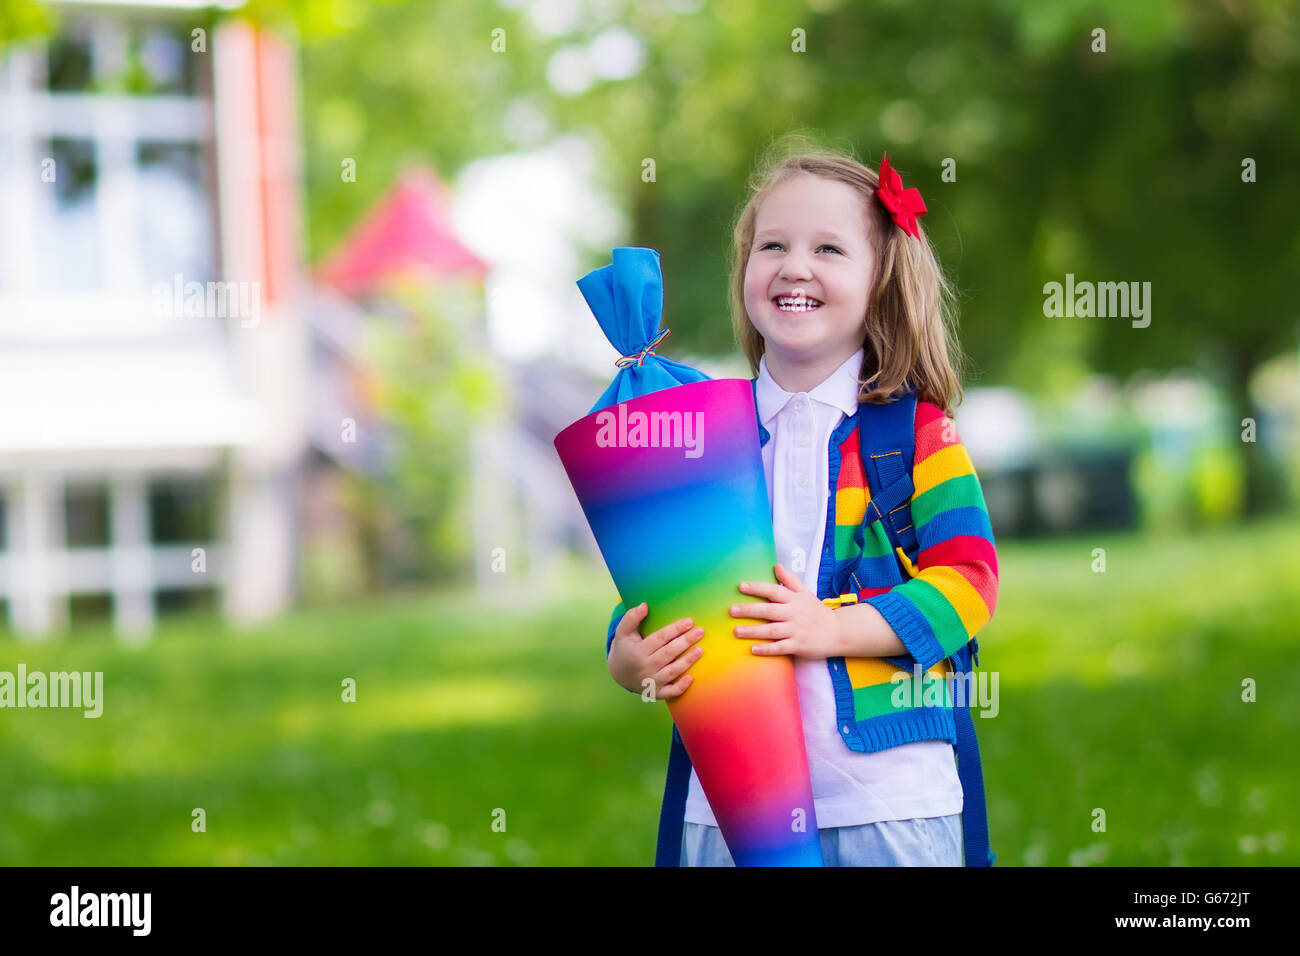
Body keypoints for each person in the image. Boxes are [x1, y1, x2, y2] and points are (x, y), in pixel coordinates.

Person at [606, 142, 999, 866]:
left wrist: (830, 628)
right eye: (772, 245)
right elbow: (661, 583)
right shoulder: (702, 434)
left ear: (880, 280)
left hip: (888, 798)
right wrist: (629, 657)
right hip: (727, 808)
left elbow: (969, 584)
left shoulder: (915, 433)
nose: (794, 265)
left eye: (828, 248)